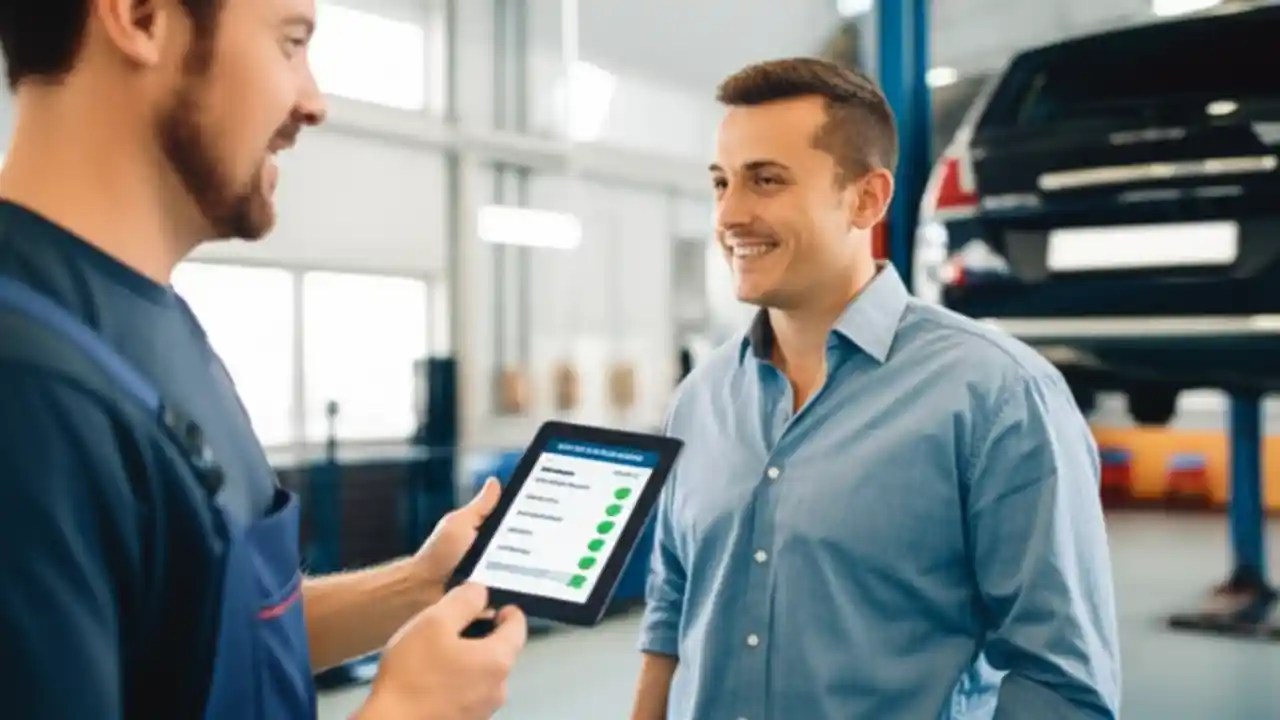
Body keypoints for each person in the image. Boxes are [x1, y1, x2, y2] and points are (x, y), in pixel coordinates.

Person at [0, 0, 525, 718]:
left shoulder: (149, 319)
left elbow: (201, 635)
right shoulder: (27, 388)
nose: (313, 102)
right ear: (141, 17)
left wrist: (416, 586)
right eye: (290, 43)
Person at [630, 58, 1121, 720]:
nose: (731, 214)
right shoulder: (701, 398)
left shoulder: (996, 394)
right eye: (721, 183)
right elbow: (672, 608)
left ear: (867, 198)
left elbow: (1061, 679)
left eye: (766, 181)